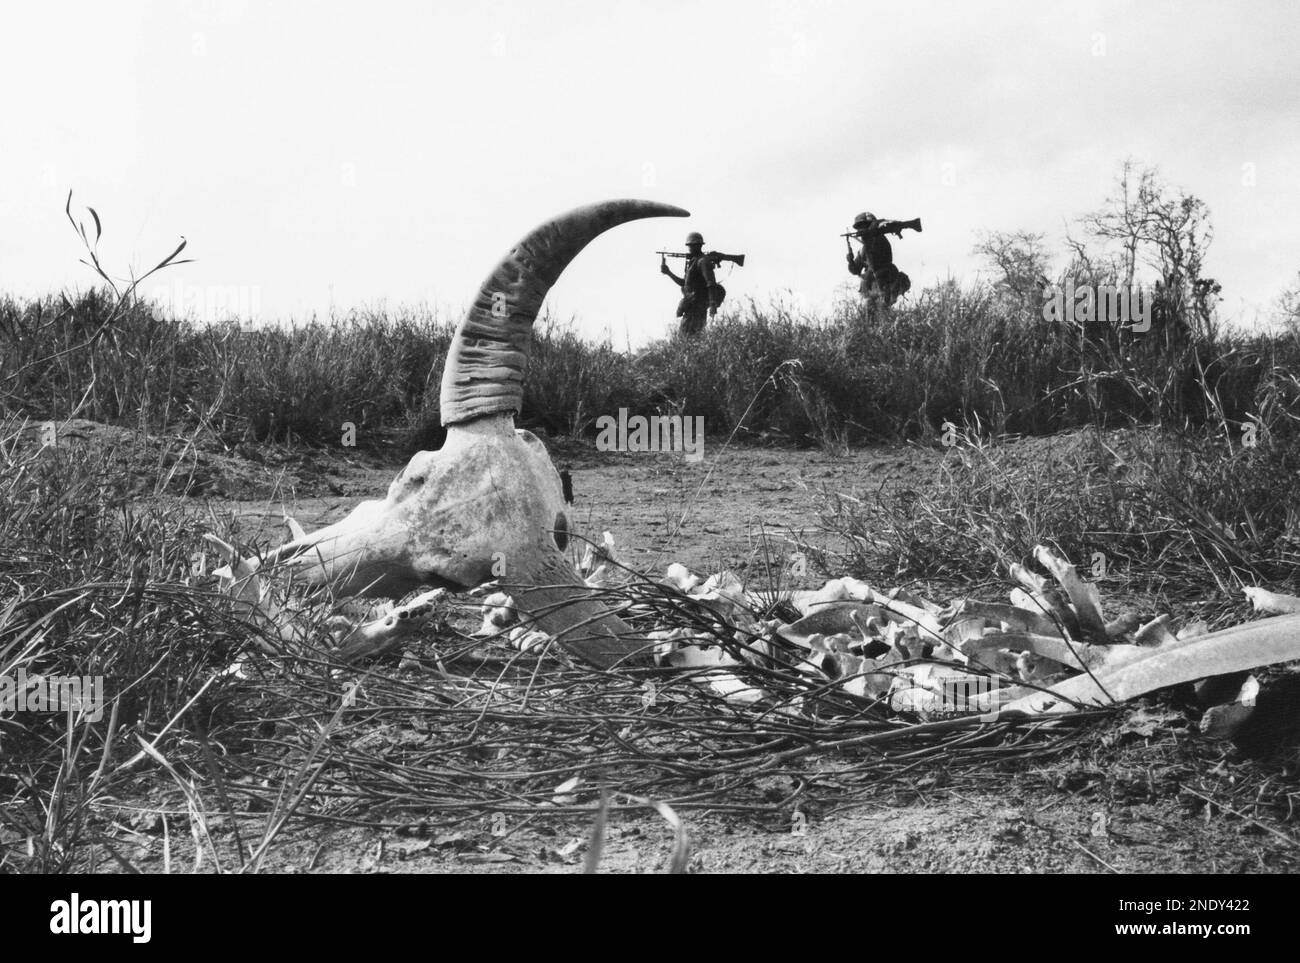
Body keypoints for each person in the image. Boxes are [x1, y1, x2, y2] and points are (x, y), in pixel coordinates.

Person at [661, 232, 724, 337]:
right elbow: (685, 284)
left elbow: (711, 283)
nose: (690, 248)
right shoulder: (695, 261)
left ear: (698, 246)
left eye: (692, 246)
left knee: (689, 338)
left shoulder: (702, 261)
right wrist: (668, 273)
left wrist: (712, 304)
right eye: (689, 246)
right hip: (690, 306)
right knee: (686, 338)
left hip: (697, 307)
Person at [846, 212, 912, 307]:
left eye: (864, 226)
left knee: (881, 309)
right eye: (860, 227)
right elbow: (856, 270)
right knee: (870, 312)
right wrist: (850, 261)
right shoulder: (864, 249)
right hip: (871, 287)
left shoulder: (880, 241)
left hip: (885, 284)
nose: (861, 230)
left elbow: (880, 263)